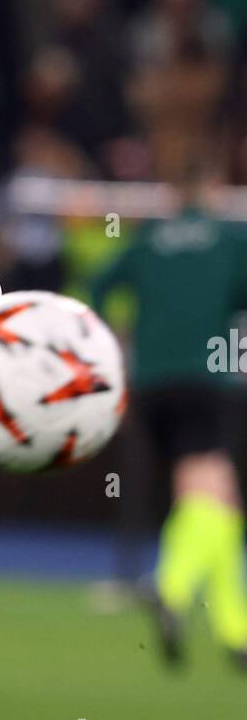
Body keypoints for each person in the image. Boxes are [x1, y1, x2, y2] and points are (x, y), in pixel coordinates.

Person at [90, 180, 247, 666]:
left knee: (213, 501)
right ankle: (171, 586)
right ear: (215, 190)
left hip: (150, 386)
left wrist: (111, 344)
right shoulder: (229, 239)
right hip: (205, 380)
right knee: (213, 495)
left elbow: (96, 286)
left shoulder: (148, 238)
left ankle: (235, 630)